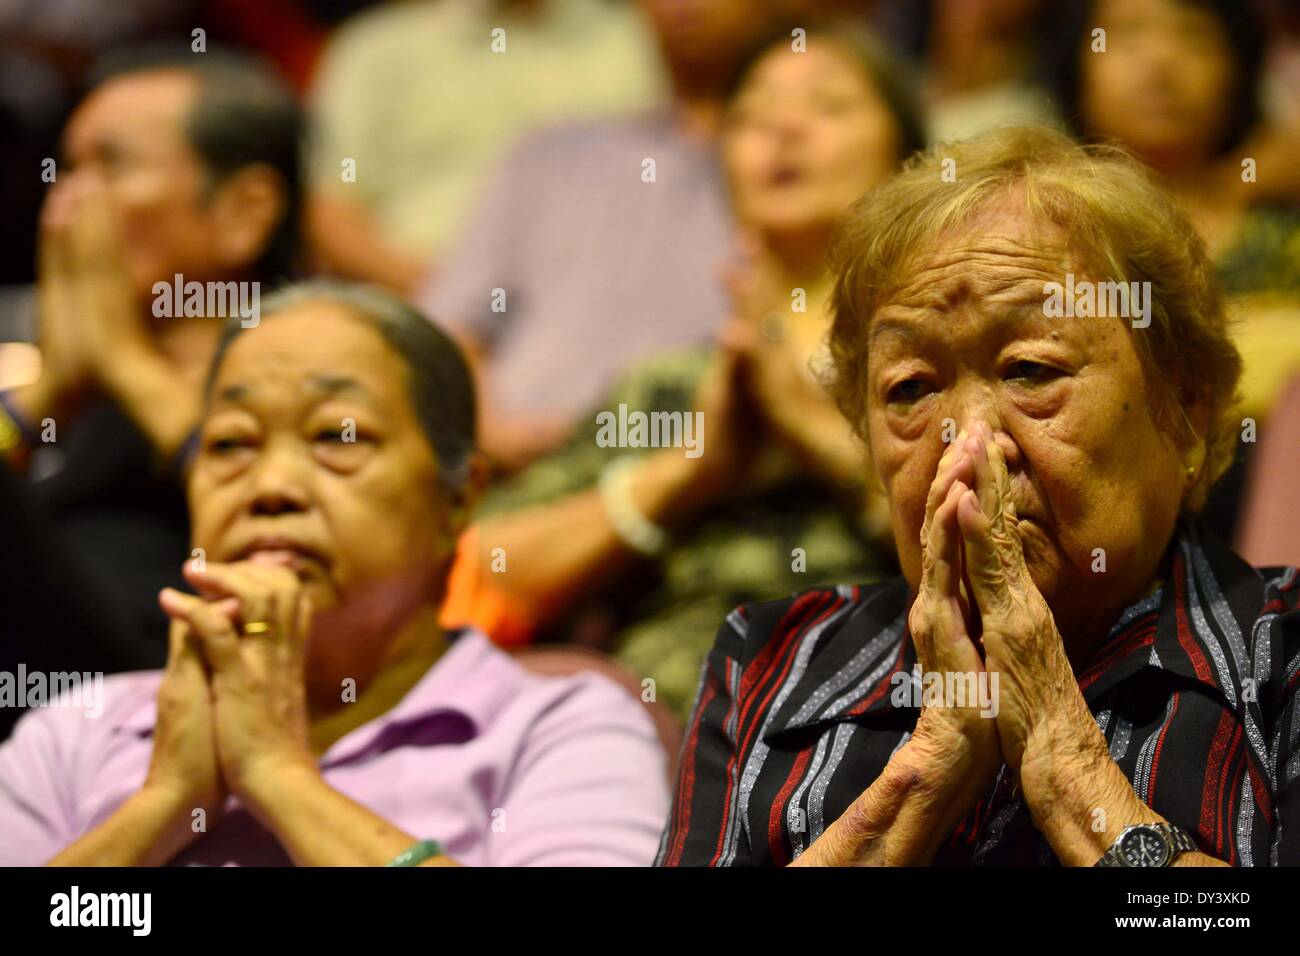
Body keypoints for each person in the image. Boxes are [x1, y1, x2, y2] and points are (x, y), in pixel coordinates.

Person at [656, 126, 1300, 867]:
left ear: (1182, 411)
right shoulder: (770, 660)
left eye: (1029, 370)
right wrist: (924, 777)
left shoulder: (1278, 662)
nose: (967, 446)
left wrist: (1068, 770)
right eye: (912, 389)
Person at [0, 281, 670, 867]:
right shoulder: (77, 732)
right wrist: (160, 807)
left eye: (337, 437)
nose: (272, 487)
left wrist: (281, 779)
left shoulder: (557, 728)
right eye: (231, 443)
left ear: (457, 500)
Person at [440, 23, 925, 719]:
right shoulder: (671, 387)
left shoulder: (935, 371)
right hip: (664, 728)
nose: (783, 128)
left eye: (828, 106)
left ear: (908, 162)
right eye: (753, 116)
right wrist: (685, 475)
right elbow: (476, 573)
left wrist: (816, 433)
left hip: (884, 719)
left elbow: (1019, 569)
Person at [0, 49, 303, 739]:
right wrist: (45, 396)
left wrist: (128, 363)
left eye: (109, 167)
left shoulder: (322, 352)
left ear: (243, 212)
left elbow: (287, 506)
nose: (66, 201)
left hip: (182, 697)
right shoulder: (65, 383)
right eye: (66, 169)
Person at [417, 0, 778, 470]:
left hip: (703, 473)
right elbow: (451, 328)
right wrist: (488, 427)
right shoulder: (551, 154)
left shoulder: (792, 170)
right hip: (522, 469)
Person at [1042, 0, 1300, 545]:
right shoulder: (1037, 233)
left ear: (1238, 72)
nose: (1161, 61)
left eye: (1195, 39)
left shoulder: (1286, 235)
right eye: (1129, 35)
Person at [306, 0, 668, 292]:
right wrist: (450, 299)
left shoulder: (634, 41)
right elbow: (329, 210)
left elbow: (676, 184)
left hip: (594, 303)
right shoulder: (381, 49)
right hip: (414, 303)